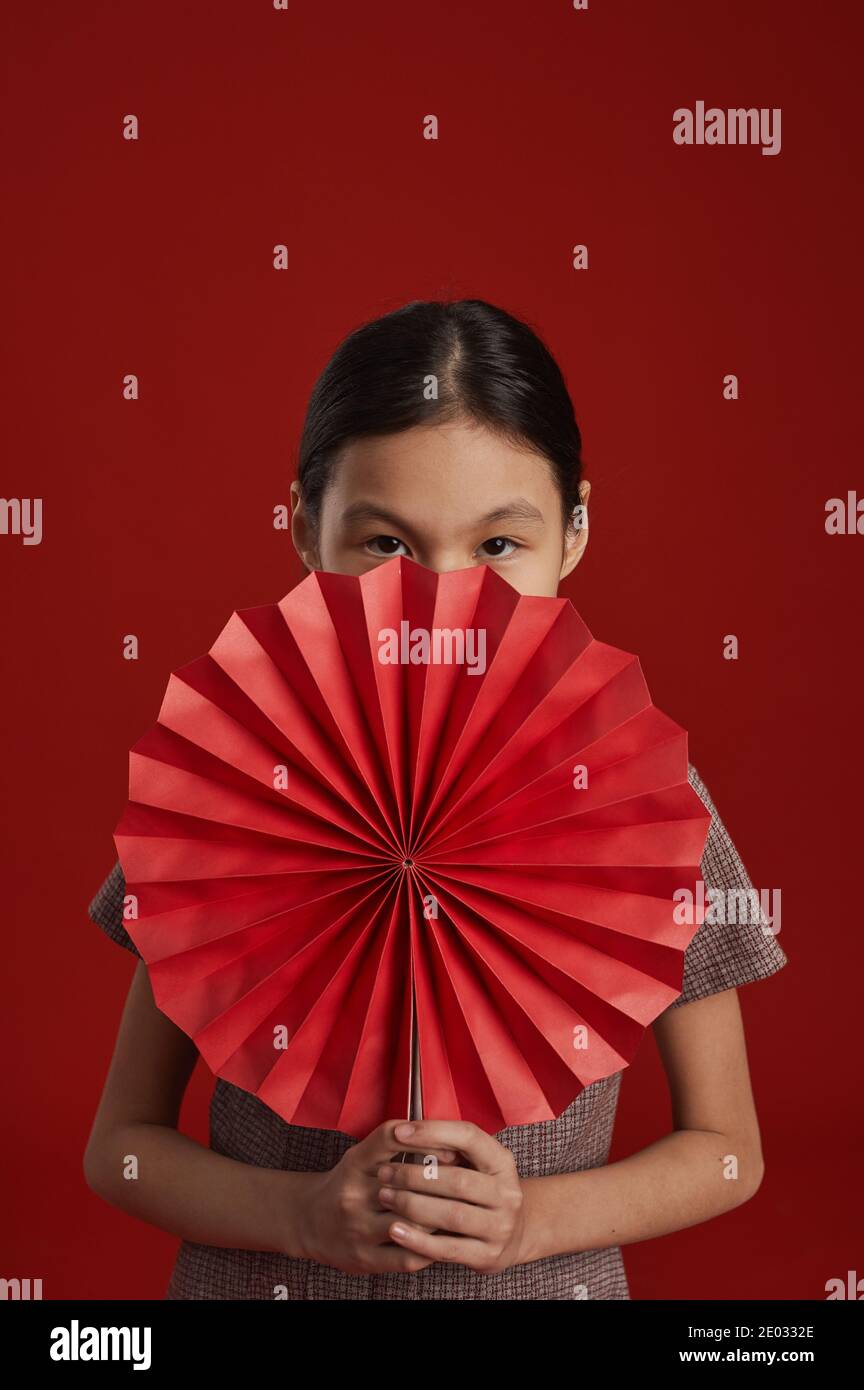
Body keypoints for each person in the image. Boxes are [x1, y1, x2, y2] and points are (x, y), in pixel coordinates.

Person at [84, 298, 787, 1300]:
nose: (445, 611)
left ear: (576, 532)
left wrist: (530, 1222)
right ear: (303, 528)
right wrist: (300, 1217)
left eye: (500, 547)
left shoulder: (642, 792)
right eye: (387, 545)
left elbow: (730, 1149)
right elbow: (121, 1145)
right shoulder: (234, 776)